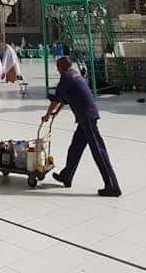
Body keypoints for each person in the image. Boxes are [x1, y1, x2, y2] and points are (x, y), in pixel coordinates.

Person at [42, 56, 121, 197]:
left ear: (60, 67)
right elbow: (64, 99)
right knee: (75, 148)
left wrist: (47, 115)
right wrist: (55, 114)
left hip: (87, 118)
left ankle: (112, 186)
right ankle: (67, 176)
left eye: (57, 67)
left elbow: (56, 99)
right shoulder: (74, 74)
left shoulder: (66, 77)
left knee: (98, 151)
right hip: (85, 117)